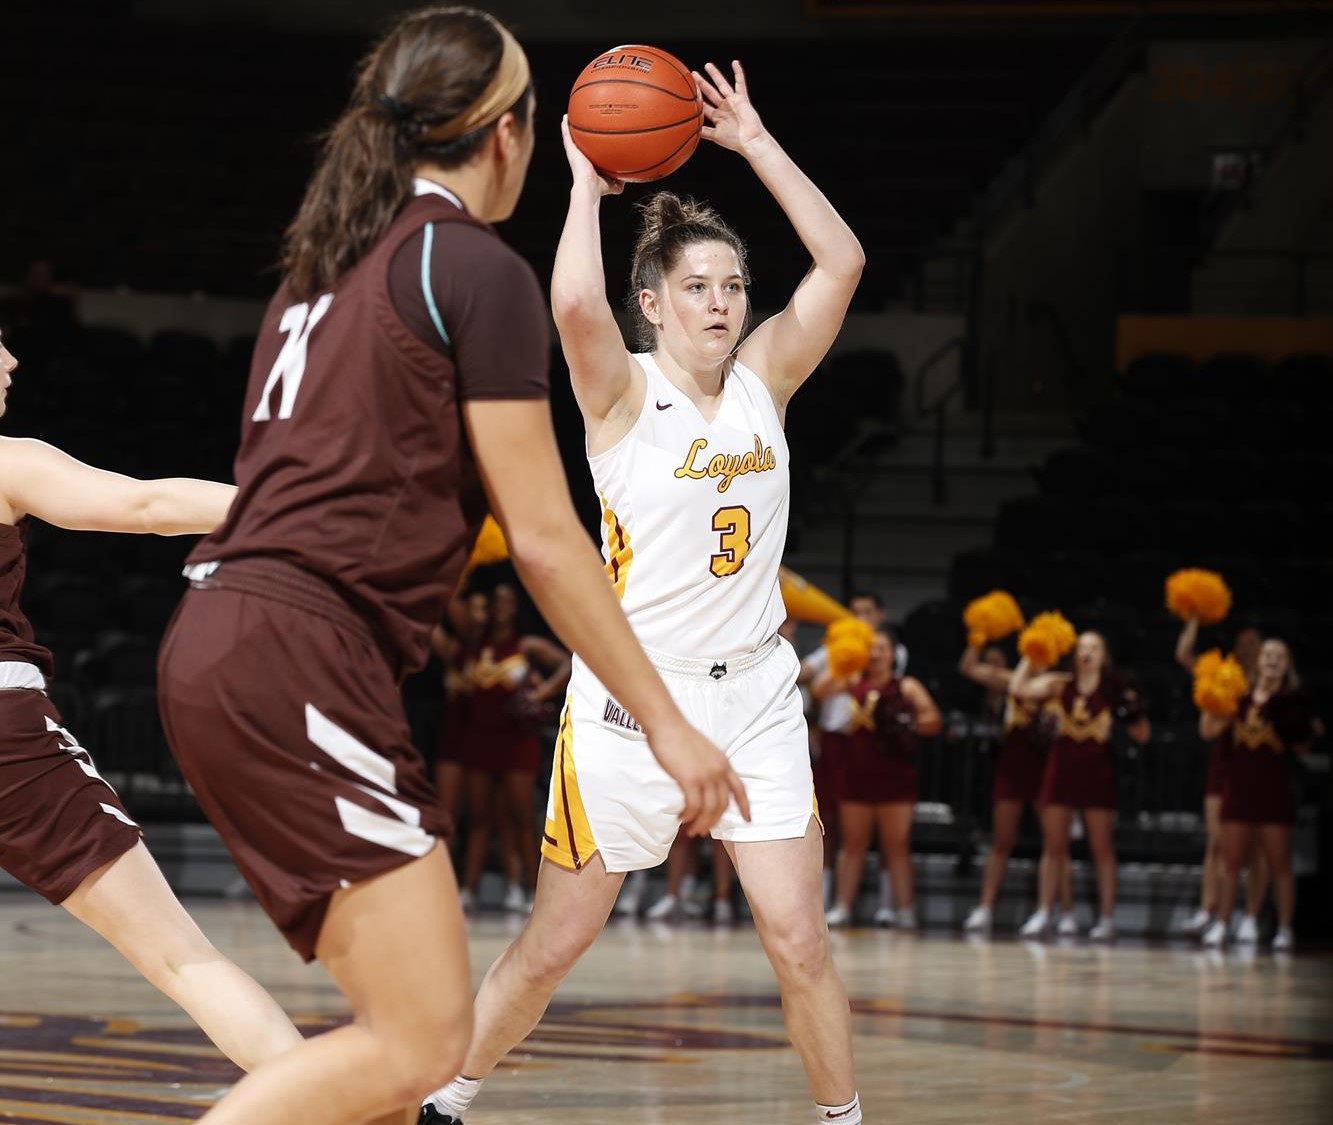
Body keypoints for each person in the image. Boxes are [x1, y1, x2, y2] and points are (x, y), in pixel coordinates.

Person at [153, 11, 747, 1125]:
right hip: (297, 652)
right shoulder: (468, 266)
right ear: (508, 135)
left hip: (231, 635)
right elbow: (544, 535)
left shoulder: (322, 266)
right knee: (425, 1043)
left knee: (394, 1053)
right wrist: (667, 722)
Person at [420, 56, 865, 1125]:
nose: (720, 303)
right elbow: (571, 299)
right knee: (552, 946)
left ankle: (843, 1120)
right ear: (653, 305)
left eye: (733, 286)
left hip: (755, 694)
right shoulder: (618, 394)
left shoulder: (768, 378)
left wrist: (754, 143)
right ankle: (446, 1101)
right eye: (697, 289)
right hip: (632, 703)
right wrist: (580, 183)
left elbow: (842, 261)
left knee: (798, 940)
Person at [0, 333, 305, 1076]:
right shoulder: (8, 460)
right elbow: (146, 504)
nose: (12, 360)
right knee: (182, 960)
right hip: (8, 741)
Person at [1010, 632, 1151, 941]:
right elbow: (1017, 688)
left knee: (1101, 848)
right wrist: (1032, 654)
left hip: (1097, 772)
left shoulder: (1114, 690)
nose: (1087, 653)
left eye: (1095, 648)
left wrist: (1133, 714)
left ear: (1105, 656)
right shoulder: (1060, 684)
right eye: (1082, 648)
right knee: (1053, 846)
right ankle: (1045, 912)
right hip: (1060, 771)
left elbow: (1143, 733)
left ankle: (1107, 918)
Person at [456, 580, 570, 913]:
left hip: (517, 740)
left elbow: (567, 662)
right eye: (497, 601)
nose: (502, 607)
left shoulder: (526, 644)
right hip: (479, 738)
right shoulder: (476, 643)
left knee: (521, 816)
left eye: (508, 601)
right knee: (480, 818)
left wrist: (542, 693)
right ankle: (469, 890)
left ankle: (534, 891)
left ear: (516, 607)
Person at [815, 629, 941, 929]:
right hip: (857, 774)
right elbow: (819, 689)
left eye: (881, 649)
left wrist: (903, 722)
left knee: (896, 846)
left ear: (893, 654)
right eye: (870, 648)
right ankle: (843, 907)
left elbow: (934, 721)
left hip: (895, 776)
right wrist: (845, 659)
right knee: (853, 845)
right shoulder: (853, 681)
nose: (875, 654)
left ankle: (905, 910)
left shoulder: (906, 686)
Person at [1198, 637, 1315, 951]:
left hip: (1274, 791)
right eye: (1267, 654)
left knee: (1279, 862)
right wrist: (1212, 701)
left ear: (1287, 665)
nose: (1273, 660)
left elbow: (1304, 745)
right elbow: (1208, 730)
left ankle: (1284, 928)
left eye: (1280, 655)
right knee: (1230, 861)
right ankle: (1222, 923)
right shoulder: (1239, 696)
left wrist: (1287, 739)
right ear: (1258, 661)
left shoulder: (1293, 702)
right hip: (1238, 790)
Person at [957, 642, 1075, 935]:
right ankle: (985, 908)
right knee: (1001, 841)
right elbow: (968, 668)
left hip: (1048, 766)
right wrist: (979, 634)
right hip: (1013, 765)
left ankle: (1065, 912)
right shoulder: (1014, 678)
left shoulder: (1061, 682)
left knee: (1056, 844)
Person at [1174, 616, 1270, 941]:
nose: (1247, 649)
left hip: (1258, 769)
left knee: (1256, 847)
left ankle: (1250, 918)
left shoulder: (1271, 684)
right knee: (1216, 842)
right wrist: (1192, 617)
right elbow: (1184, 655)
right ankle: (1208, 910)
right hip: (1224, 764)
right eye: (1242, 643)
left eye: (1254, 644)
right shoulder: (1226, 676)